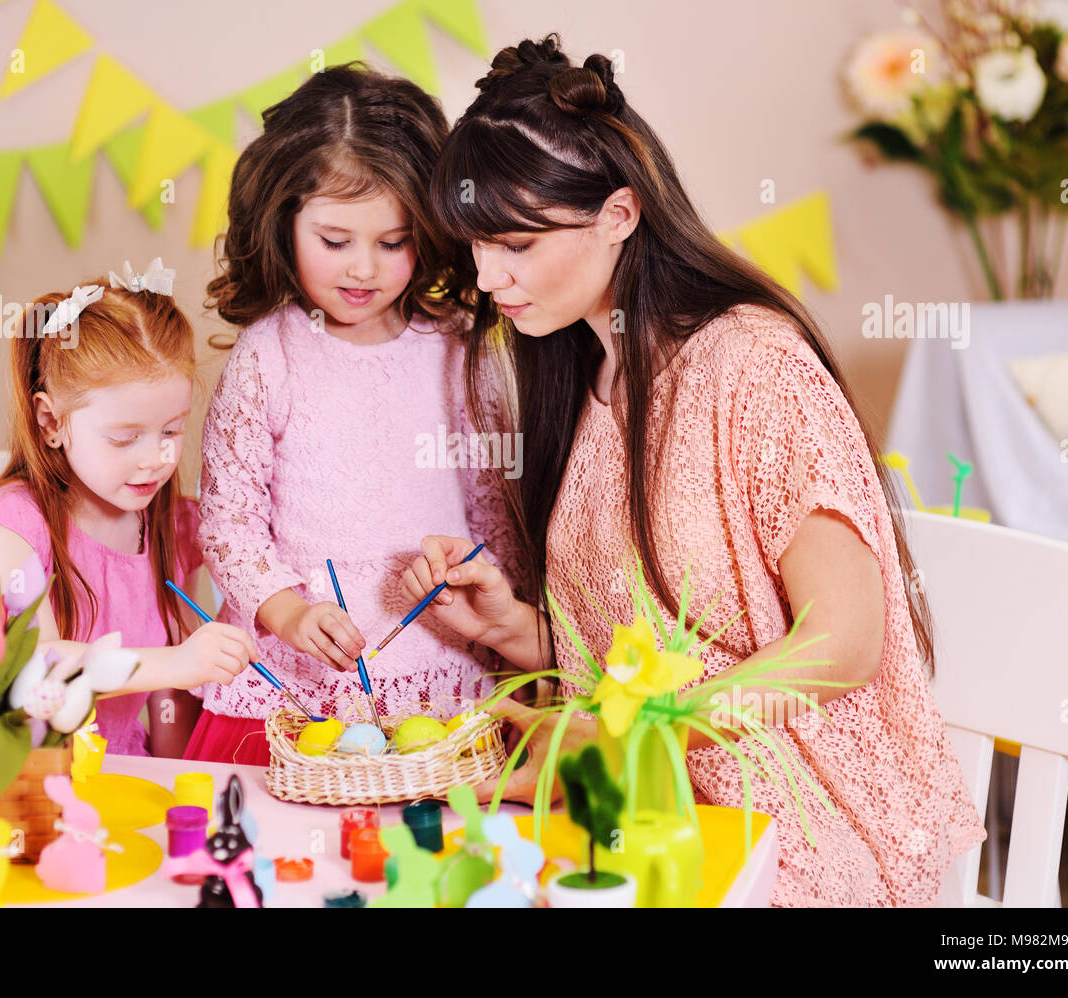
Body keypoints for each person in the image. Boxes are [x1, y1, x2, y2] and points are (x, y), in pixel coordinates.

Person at [399, 35, 987, 906]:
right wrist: (518, 631)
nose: (488, 276)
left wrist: (629, 736)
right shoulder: (585, 373)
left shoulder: (753, 369)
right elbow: (652, 650)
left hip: (787, 827)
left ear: (620, 215)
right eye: (475, 247)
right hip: (647, 809)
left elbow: (844, 642)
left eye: (515, 245)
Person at [184, 65, 521, 765]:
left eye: (393, 242)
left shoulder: (458, 348)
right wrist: (288, 613)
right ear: (284, 223)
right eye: (335, 241)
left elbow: (493, 508)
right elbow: (229, 518)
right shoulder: (267, 355)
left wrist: (498, 611)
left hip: (440, 675)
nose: (363, 268)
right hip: (299, 688)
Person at [0, 262, 254, 756]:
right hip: (25, 779)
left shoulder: (171, 525)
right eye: (125, 438)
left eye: (172, 430)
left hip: (127, 775)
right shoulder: (11, 526)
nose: (159, 458)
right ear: (52, 422)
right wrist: (178, 661)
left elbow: (167, 702)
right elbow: (36, 666)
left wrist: (182, 787)